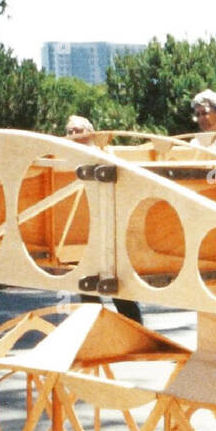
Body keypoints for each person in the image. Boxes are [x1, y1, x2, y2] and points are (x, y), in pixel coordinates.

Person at [65, 114, 143, 324]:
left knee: (121, 292)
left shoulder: (106, 155)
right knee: (88, 294)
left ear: (91, 132)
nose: (73, 135)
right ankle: (95, 338)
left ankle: (136, 336)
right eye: (69, 131)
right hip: (83, 236)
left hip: (110, 232)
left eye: (78, 130)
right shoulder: (64, 161)